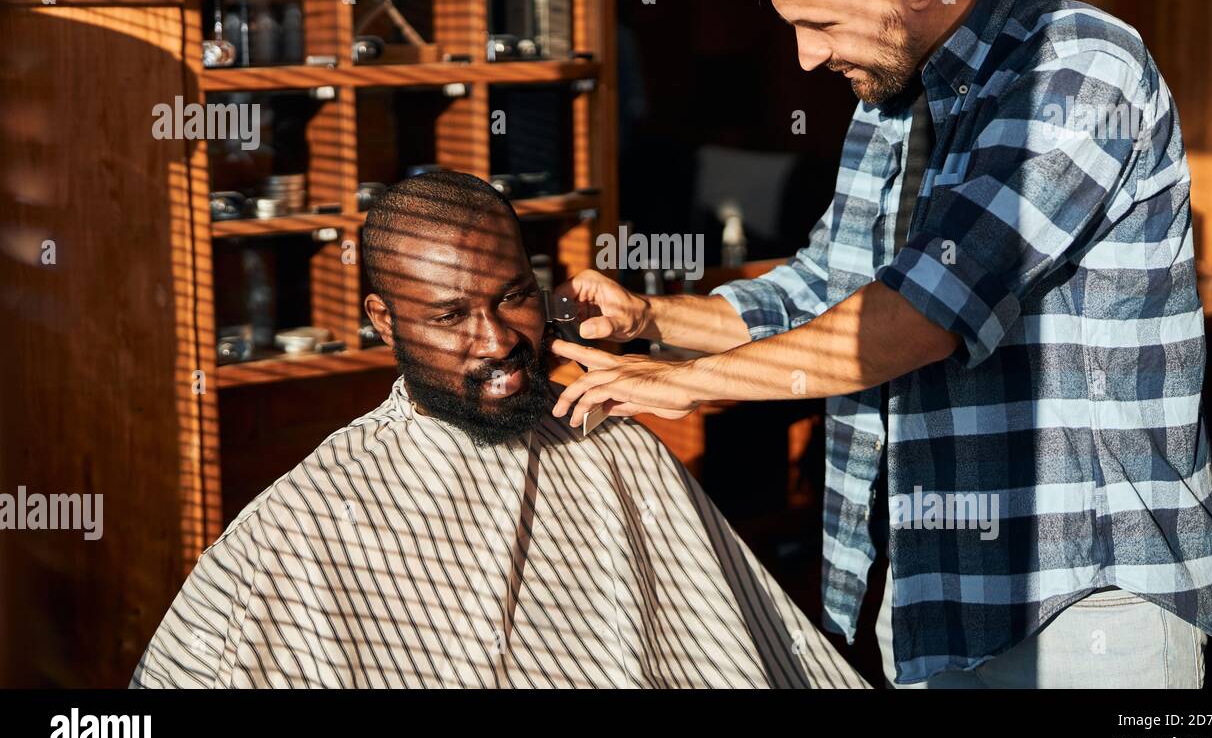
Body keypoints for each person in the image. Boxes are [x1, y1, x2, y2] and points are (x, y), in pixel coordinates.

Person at [549, 0, 1212, 688]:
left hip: (1081, 608)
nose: (806, 55)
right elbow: (821, 288)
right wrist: (653, 323)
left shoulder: (1076, 71)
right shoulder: (893, 90)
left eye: (819, 23)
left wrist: (680, 384)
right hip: (923, 594)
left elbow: (913, 322)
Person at [129, 172, 864, 689]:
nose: (496, 340)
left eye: (514, 297)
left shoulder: (608, 448)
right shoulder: (311, 517)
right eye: (449, 316)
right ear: (383, 320)